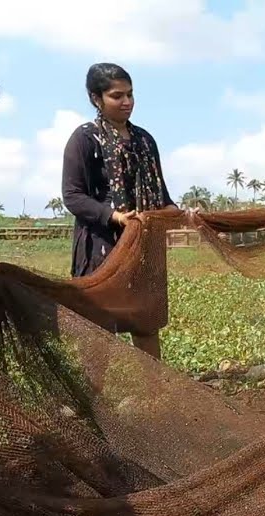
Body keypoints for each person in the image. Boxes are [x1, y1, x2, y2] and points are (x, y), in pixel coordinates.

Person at [62, 62, 180, 359]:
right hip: (102, 246)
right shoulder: (85, 139)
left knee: (145, 323)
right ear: (95, 98)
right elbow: (73, 196)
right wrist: (115, 217)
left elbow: (161, 194)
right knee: (98, 327)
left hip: (143, 246)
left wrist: (175, 213)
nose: (127, 102)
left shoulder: (144, 141)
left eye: (130, 94)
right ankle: (92, 402)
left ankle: (155, 394)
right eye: (117, 96)